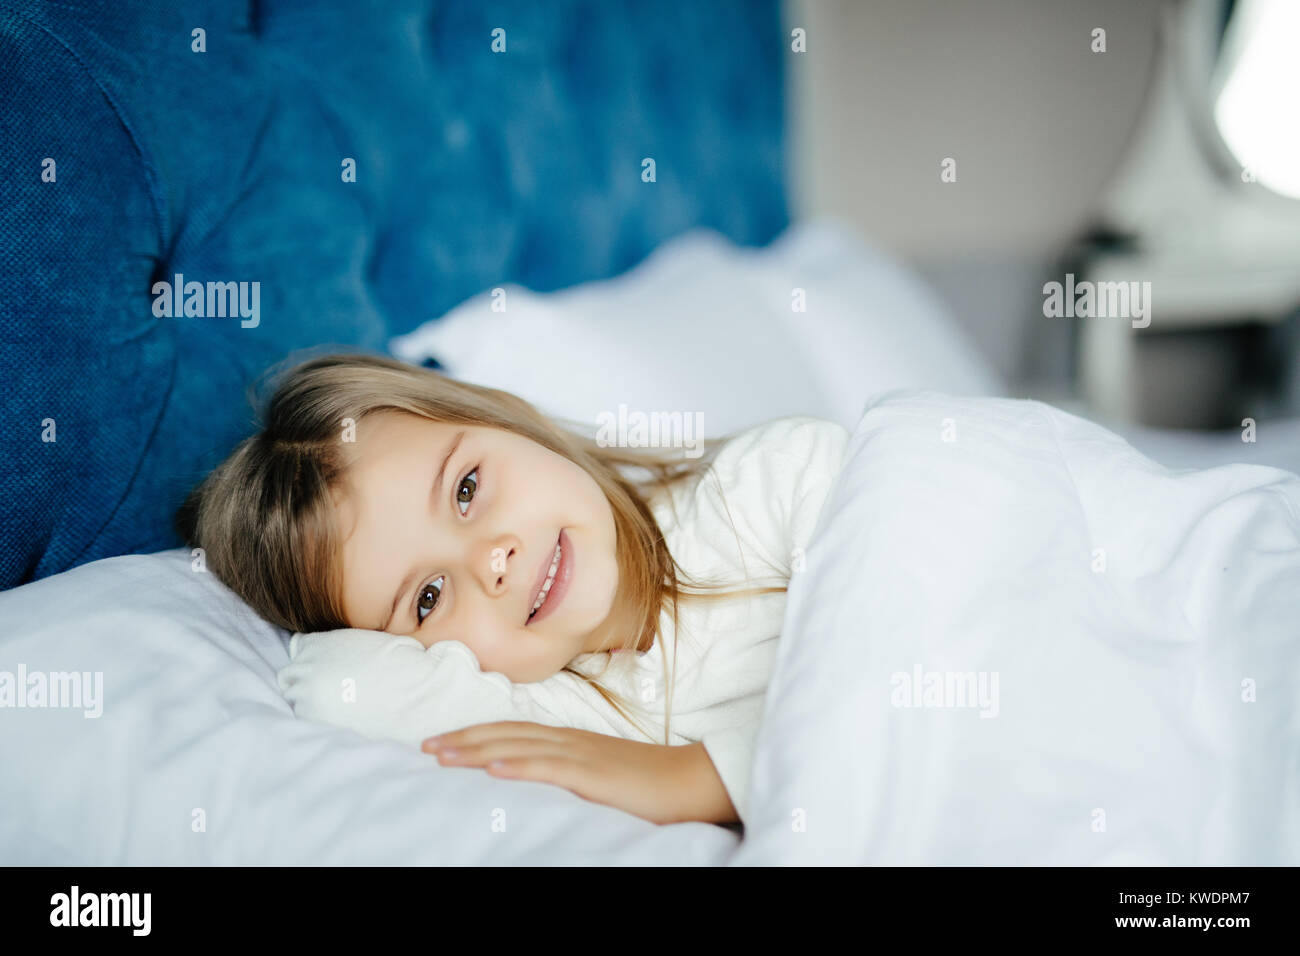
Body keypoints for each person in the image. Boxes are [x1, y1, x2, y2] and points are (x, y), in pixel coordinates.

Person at [177, 351, 848, 827]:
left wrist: (699, 779)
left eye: (466, 488)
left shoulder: (768, 486)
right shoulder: (551, 715)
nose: (491, 561)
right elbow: (333, 689)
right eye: (428, 598)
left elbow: (914, 648)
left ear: (508, 418)